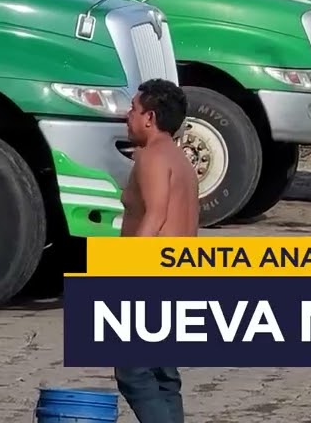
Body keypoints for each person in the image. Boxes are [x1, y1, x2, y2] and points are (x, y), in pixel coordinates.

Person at [115, 78, 198, 423]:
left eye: (133, 109)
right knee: (163, 375)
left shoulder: (151, 157)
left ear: (149, 117)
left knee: (133, 372)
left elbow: (155, 215)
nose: (127, 115)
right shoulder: (179, 160)